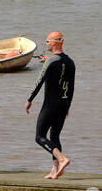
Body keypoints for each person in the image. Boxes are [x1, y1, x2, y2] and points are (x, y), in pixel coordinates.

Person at [25, 31, 75, 178]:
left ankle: (62, 159)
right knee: (54, 136)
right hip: (64, 103)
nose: (46, 44)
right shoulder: (70, 62)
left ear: (54, 43)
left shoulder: (51, 61)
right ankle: (55, 170)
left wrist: (30, 99)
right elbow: (71, 87)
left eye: (47, 42)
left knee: (39, 136)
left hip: (51, 104)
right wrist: (68, 106)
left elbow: (39, 81)